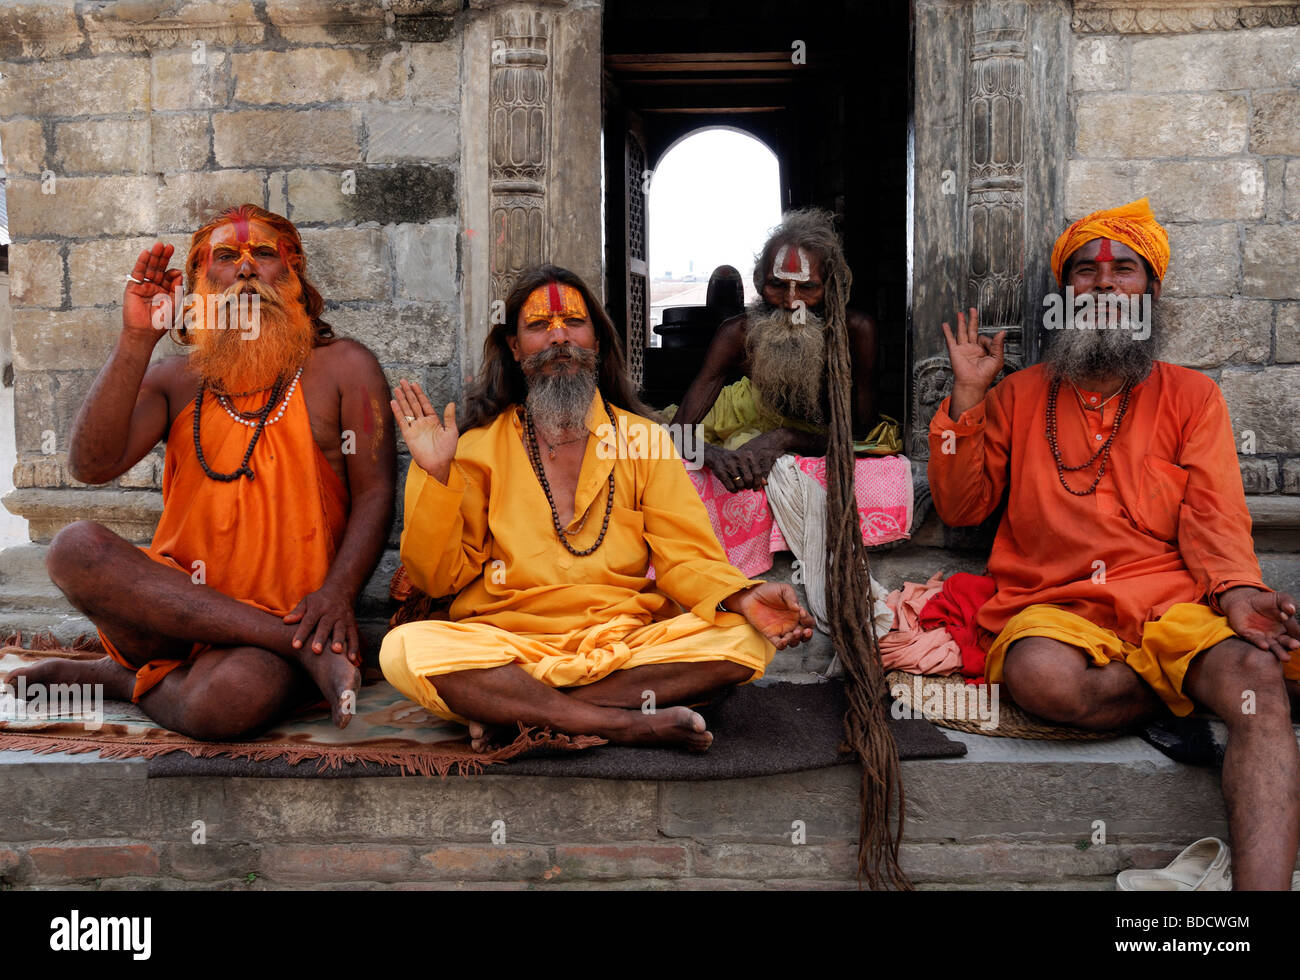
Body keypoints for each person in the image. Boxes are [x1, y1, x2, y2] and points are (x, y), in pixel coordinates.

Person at [928, 197, 1300, 890]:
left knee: (1258, 684)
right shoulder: (1017, 397)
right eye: (1086, 274)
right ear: (1065, 294)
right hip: (1054, 606)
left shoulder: (1192, 397)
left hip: (1168, 607)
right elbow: (960, 505)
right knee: (1039, 678)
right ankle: (1181, 695)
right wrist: (967, 400)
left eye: (1123, 271)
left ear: (1150, 291)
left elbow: (1217, 517)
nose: (1104, 285)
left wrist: (1241, 592)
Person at [380, 265, 814, 752]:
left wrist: (742, 597)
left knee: (744, 638)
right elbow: (439, 580)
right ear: (514, 348)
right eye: (539, 325)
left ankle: (521, 710)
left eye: (574, 323)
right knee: (404, 649)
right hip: (509, 643)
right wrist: (436, 475)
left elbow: (686, 559)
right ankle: (622, 723)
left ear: (597, 342)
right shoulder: (476, 447)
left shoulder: (644, 440)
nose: (559, 336)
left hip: (624, 643)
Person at [8, 204, 396, 737]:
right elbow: (90, 466)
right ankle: (300, 654)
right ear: (198, 286)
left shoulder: (345, 366)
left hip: (286, 618)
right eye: (225, 258)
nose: (245, 269)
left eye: (263, 254)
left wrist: (335, 597)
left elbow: (376, 493)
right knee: (74, 547)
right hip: (171, 613)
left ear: (294, 273)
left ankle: (119, 680)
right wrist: (137, 340)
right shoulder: (176, 380)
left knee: (230, 701)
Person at [669, 208, 881, 491]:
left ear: (830, 287)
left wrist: (785, 438)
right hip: (740, 415)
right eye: (777, 285)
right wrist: (712, 455)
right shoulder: (737, 334)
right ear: (760, 282)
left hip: (817, 435)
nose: (791, 301)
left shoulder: (856, 332)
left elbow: (863, 433)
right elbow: (676, 431)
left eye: (807, 287)